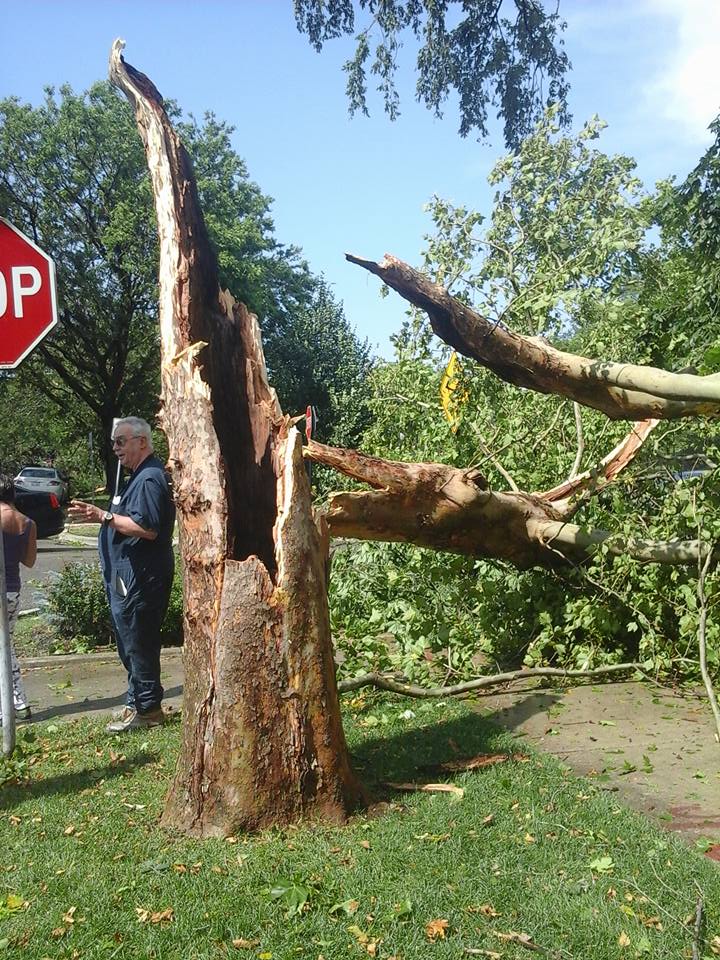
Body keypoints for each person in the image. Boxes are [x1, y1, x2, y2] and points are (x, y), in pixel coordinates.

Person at [69, 417, 176, 734]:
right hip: (126, 576)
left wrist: (103, 515)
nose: (115, 448)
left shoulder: (149, 479)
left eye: (121, 441)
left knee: (139, 640)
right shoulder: (136, 478)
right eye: (113, 442)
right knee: (130, 640)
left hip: (140, 578)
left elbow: (148, 529)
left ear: (142, 441)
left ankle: (148, 708)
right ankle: (136, 702)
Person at [0, 473, 37, 724]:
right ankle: (19, 703)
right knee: (6, 647)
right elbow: (30, 560)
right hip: (12, 591)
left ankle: (8, 708)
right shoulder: (27, 523)